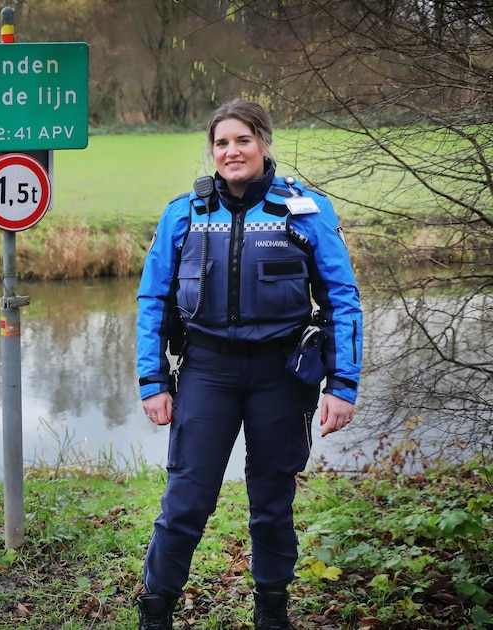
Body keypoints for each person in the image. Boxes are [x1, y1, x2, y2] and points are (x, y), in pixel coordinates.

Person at [133, 99, 363, 630]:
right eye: (221, 143)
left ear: (263, 143)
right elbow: (152, 301)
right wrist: (153, 380)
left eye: (243, 140)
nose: (232, 151)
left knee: (271, 501)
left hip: (281, 375)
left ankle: (271, 612)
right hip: (206, 371)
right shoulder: (183, 213)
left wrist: (342, 383)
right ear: (211, 151)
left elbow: (341, 300)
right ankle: (155, 611)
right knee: (186, 500)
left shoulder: (305, 210)